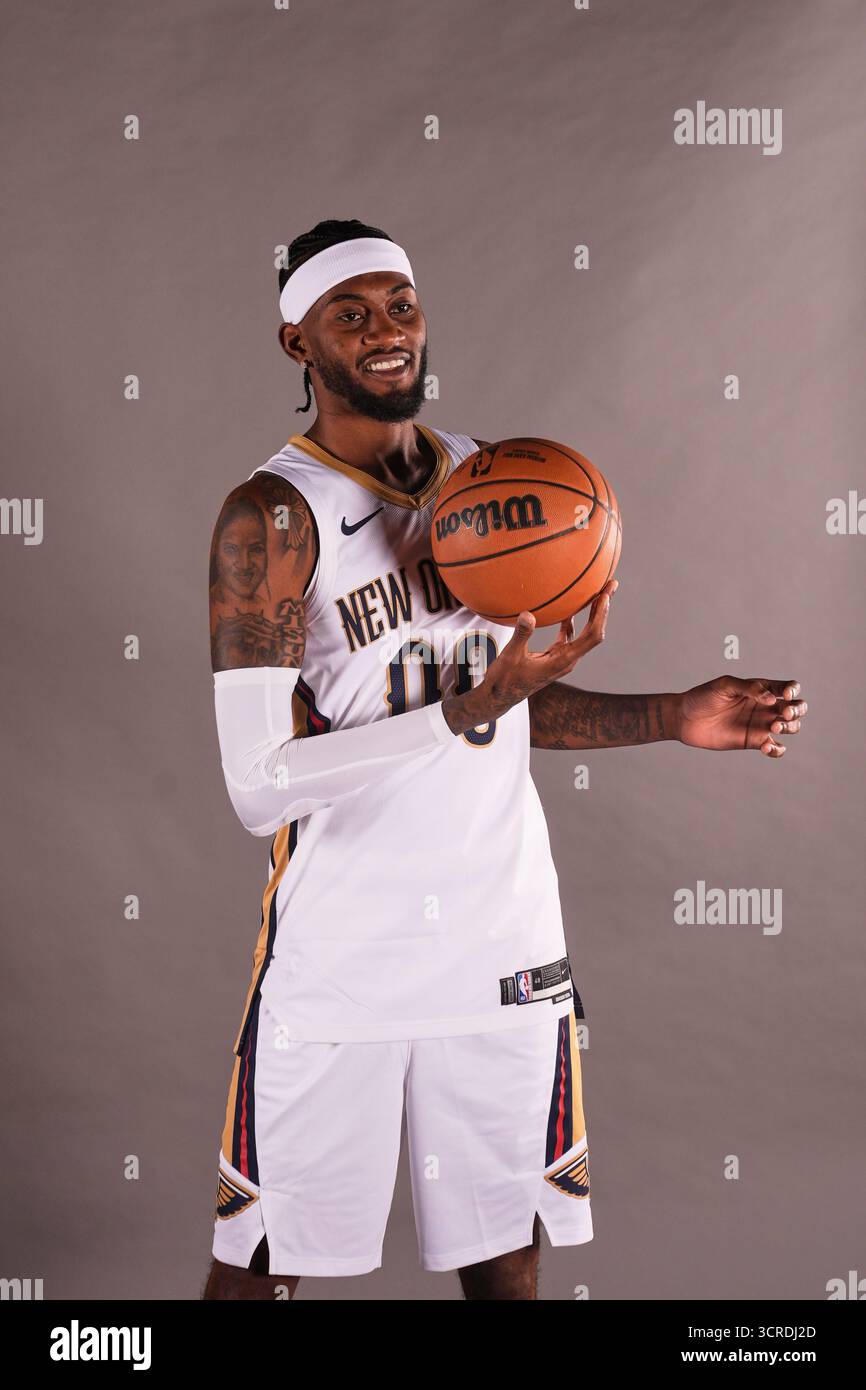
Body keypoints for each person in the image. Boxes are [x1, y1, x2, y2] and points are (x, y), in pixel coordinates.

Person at [203, 218, 807, 1301]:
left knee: (506, 1267)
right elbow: (259, 787)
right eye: (352, 313)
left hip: (503, 943)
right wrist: (459, 708)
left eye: (400, 306)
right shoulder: (273, 519)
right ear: (299, 344)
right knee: (260, 1276)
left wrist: (674, 712)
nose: (387, 332)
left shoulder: (484, 481)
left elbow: (507, 708)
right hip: (342, 956)